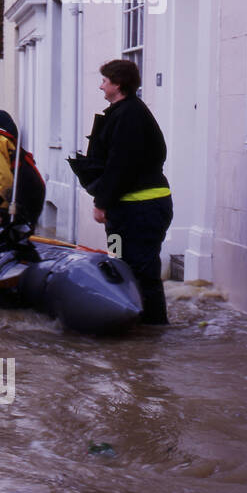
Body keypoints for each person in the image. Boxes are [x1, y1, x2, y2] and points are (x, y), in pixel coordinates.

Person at [84, 59, 173, 325]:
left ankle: (153, 330)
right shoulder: (120, 112)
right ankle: (129, 324)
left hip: (142, 212)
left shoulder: (130, 115)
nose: (101, 86)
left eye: (104, 81)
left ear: (117, 84)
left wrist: (101, 202)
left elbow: (120, 164)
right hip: (121, 213)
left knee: (143, 271)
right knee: (118, 261)